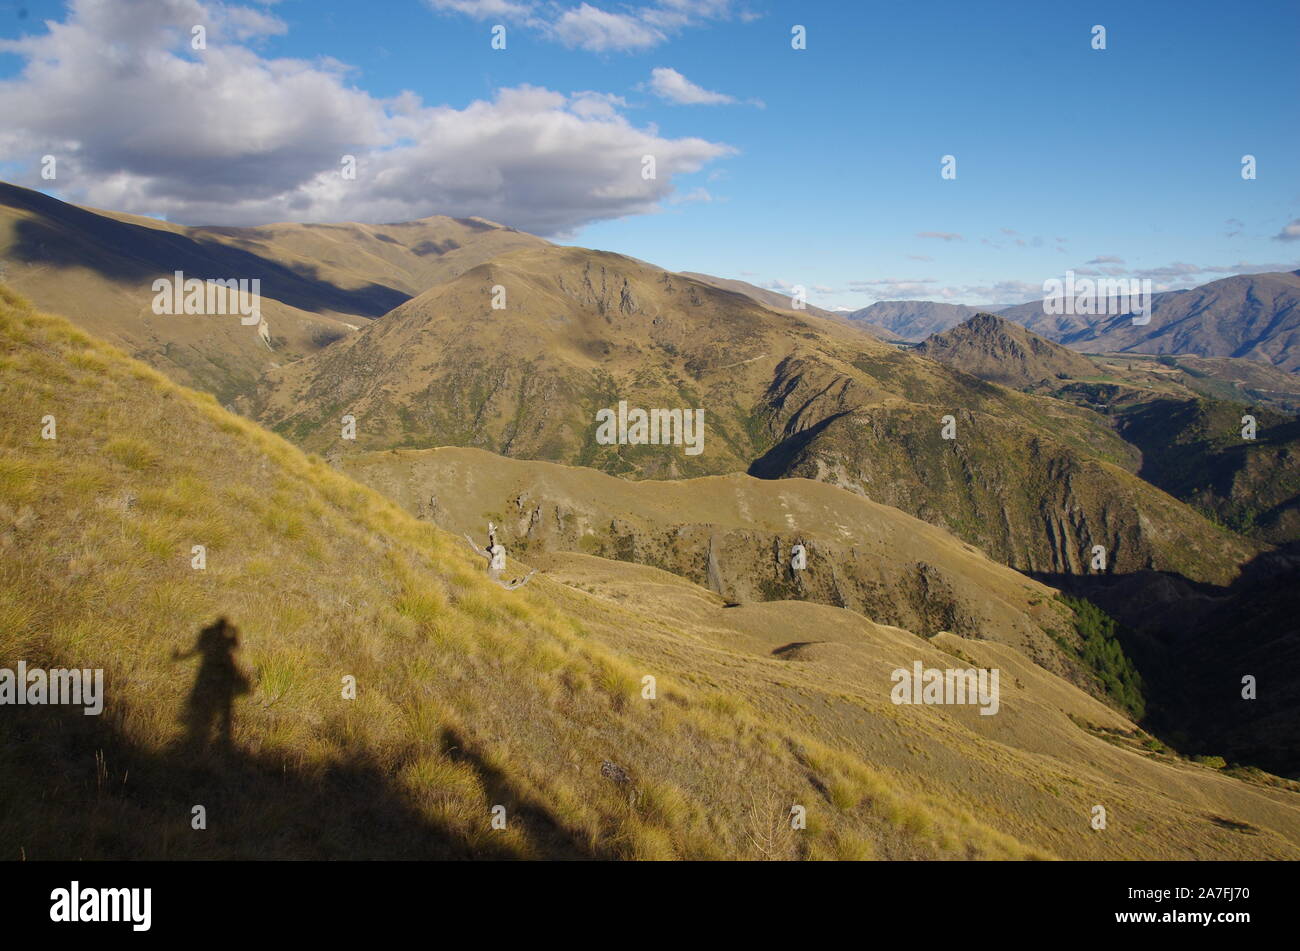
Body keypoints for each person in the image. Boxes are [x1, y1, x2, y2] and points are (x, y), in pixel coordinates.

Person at [465, 521, 536, 590]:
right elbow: (479, 551)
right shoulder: (501, 583)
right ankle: (492, 533)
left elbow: (478, 551)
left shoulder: (490, 560)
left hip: (494, 570)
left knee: (495, 551)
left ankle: (492, 533)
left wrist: (470, 541)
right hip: (496, 570)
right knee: (496, 550)